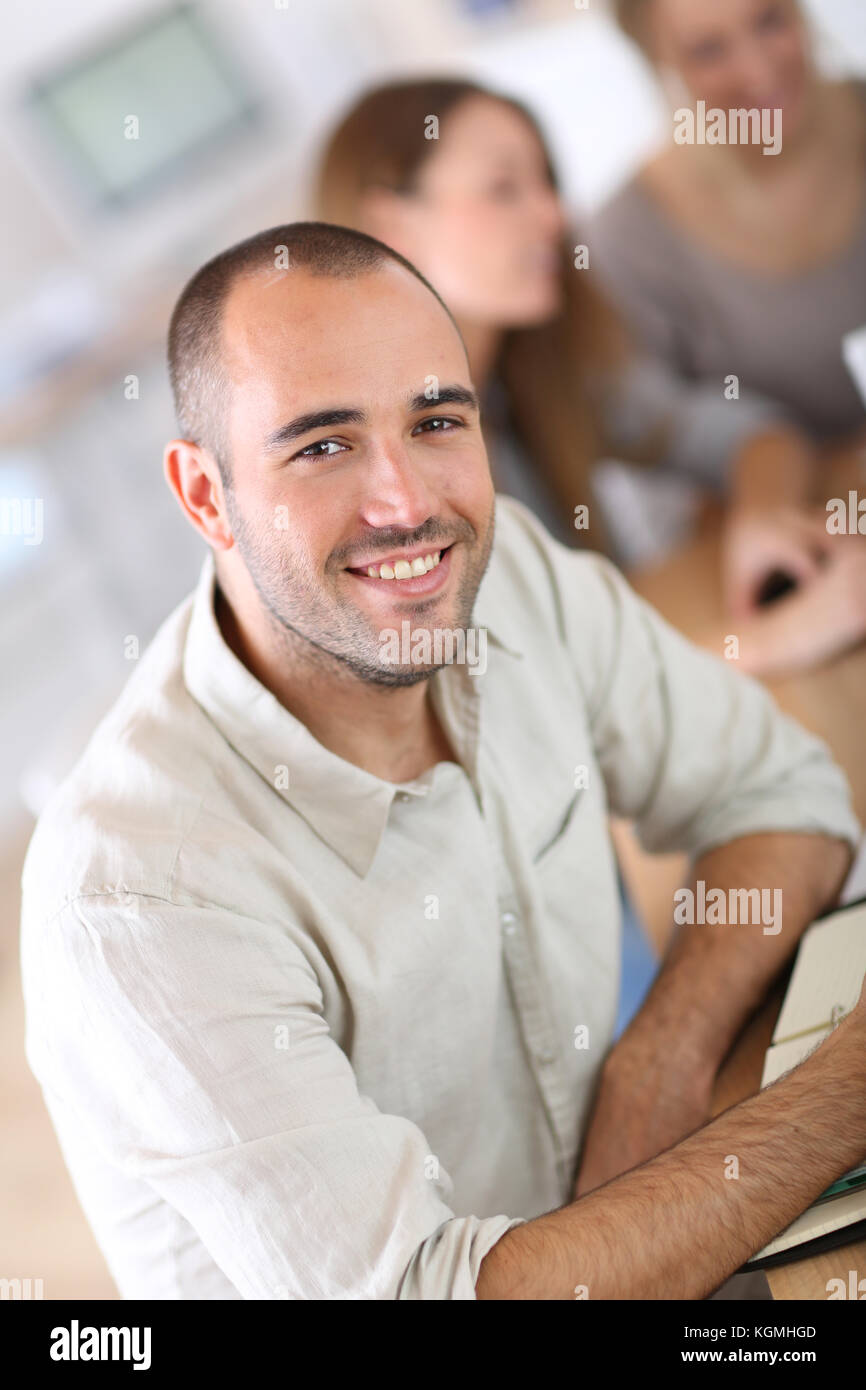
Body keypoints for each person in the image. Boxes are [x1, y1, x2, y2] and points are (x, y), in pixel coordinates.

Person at [20, 221, 865, 1300]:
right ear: (203, 496)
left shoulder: (508, 577)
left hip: (641, 1223)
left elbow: (780, 797)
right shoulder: (138, 895)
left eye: (433, 419)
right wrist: (840, 1099)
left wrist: (659, 1058)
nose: (406, 503)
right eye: (321, 445)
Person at [316, 76, 866, 676]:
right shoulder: (383, 476)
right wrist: (776, 638)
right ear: (392, 225)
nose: (554, 214)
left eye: (547, 182)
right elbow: (521, 696)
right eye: (504, 188)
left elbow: (749, 432)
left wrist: (764, 515)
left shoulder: (538, 372)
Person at [594, 0, 866, 599]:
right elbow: (655, 431)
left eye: (770, 20)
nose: (760, 71)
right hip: (807, 562)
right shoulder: (628, 235)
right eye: (708, 49)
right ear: (658, 60)